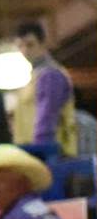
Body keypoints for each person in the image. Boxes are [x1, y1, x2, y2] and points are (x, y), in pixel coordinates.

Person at [13, 21, 77, 156]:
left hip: (49, 153)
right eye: (20, 46)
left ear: (43, 44)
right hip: (32, 151)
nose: (25, 50)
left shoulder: (50, 76)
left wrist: (42, 150)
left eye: (30, 44)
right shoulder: (34, 77)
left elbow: (47, 116)